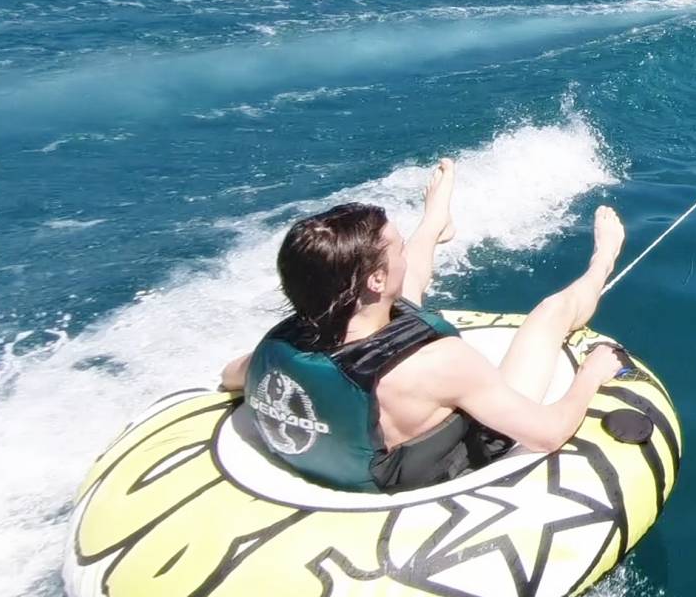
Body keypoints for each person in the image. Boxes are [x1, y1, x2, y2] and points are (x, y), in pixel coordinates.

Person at [218, 159, 628, 493]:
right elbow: (548, 433)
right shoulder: (439, 363)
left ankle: (434, 224)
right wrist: (592, 373)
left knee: (406, 293)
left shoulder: (279, 348)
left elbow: (231, 377)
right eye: (397, 249)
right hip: (419, 467)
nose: (401, 258)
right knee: (549, 316)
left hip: (361, 424)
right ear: (376, 279)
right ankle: (604, 260)